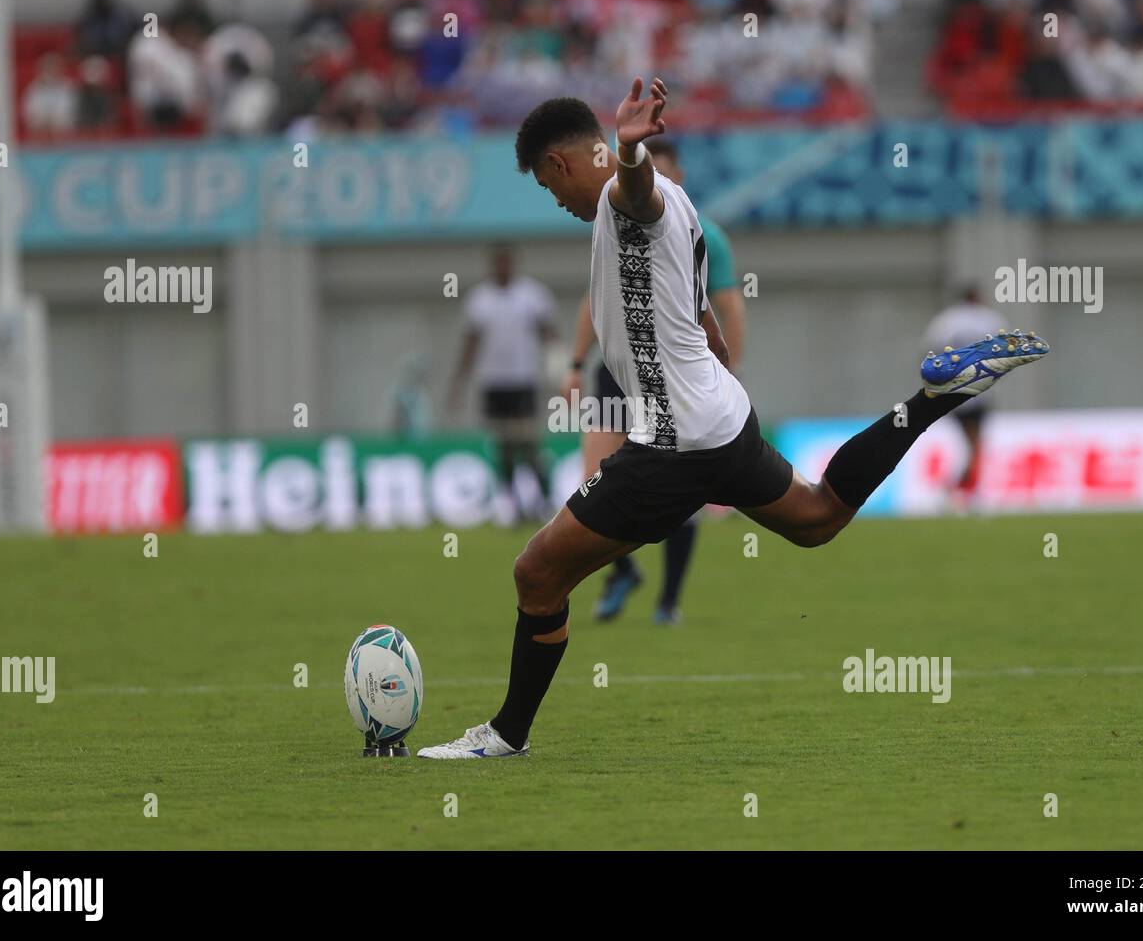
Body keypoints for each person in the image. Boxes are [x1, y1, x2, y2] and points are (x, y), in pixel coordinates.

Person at [418, 79, 1048, 759]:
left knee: (536, 573)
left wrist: (629, 153)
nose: (558, 202)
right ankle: (935, 398)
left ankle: (507, 734)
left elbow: (636, 195)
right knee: (818, 515)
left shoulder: (620, 195)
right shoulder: (683, 204)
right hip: (718, 416)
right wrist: (712, 341)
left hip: (674, 439)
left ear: (559, 164)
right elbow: (688, 292)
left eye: (549, 188)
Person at [562, 137, 745, 624]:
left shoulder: (704, 235)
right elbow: (593, 298)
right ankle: (623, 571)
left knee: (678, 495)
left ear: (675, 177)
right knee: (592, 484)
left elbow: (725, 305)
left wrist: (727, 377)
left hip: (673, 379)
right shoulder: (613, 220)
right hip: (616, 374)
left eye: (659, 174)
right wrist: (576, 363)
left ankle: (668, 600)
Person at [447, 245, 559, 523]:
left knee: (529, 443)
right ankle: (513, 505)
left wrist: (561, 372)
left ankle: (543, 503)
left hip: (524, 380)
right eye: (497, 264)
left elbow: (549, 336)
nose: (502, 269)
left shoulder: (532, 295)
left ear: (513, 264)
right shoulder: (480, 299)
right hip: (494, 383)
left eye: (506, 263)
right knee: (505, 447)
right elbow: (470, 345)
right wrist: (459, 383)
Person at [922, 286, 1008, 508]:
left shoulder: (946, 321)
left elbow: (932, 351)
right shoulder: (990, 319)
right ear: (978, 298)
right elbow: (1005, 351)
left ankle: (961, 490)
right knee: (975, 445)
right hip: (980, 389)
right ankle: (959, 490)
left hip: (953, 388)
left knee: (970, 444)